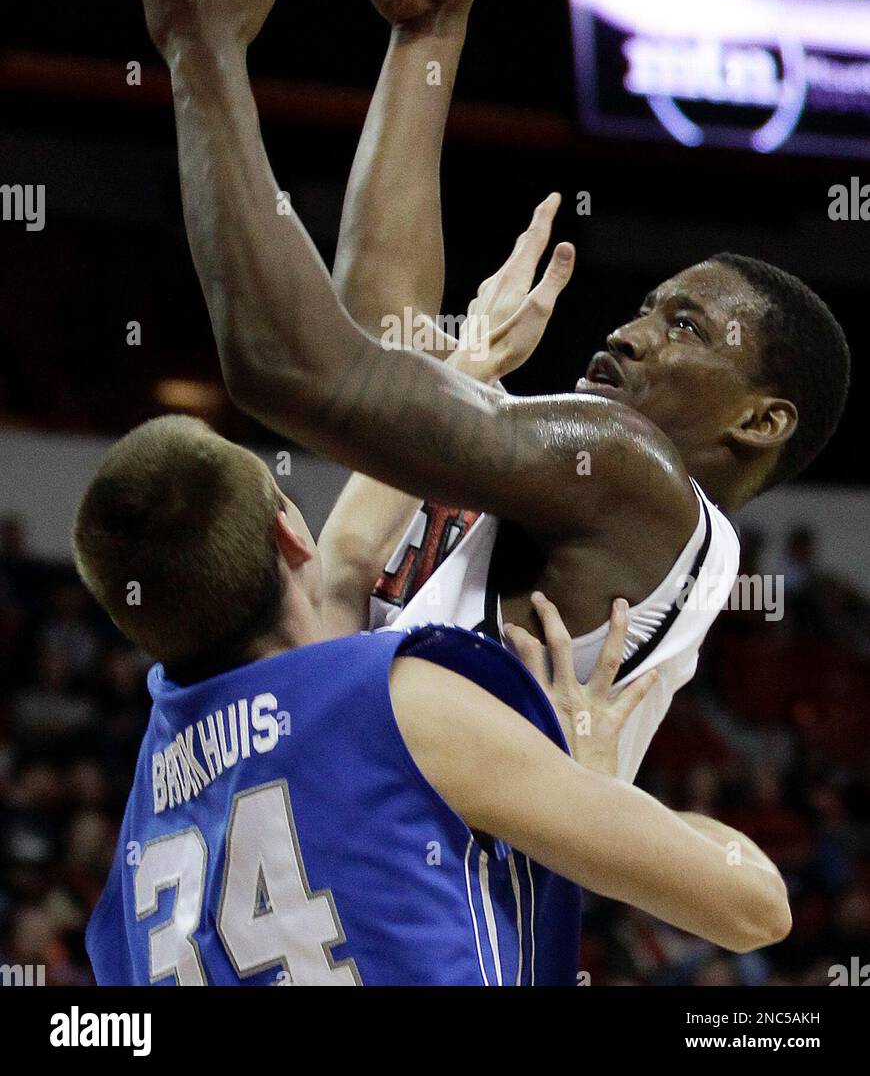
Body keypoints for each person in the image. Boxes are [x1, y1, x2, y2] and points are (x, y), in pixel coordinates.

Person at [98, 0, 851, 785]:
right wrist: (430, 26)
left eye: (686, 326)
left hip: (437, 928)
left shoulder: (637, 477)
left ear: (762, 418)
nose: (631, 329)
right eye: (651, 307)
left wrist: (205, 61)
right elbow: (371, 343)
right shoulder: (537, 492)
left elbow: (298, 368)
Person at [76, 415, 789, 985]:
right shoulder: (402, 703)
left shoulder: (145, 813)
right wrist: (591, 787)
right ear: (292, 533)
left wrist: (467, 360)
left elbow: (346, 561)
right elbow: (756, 908)